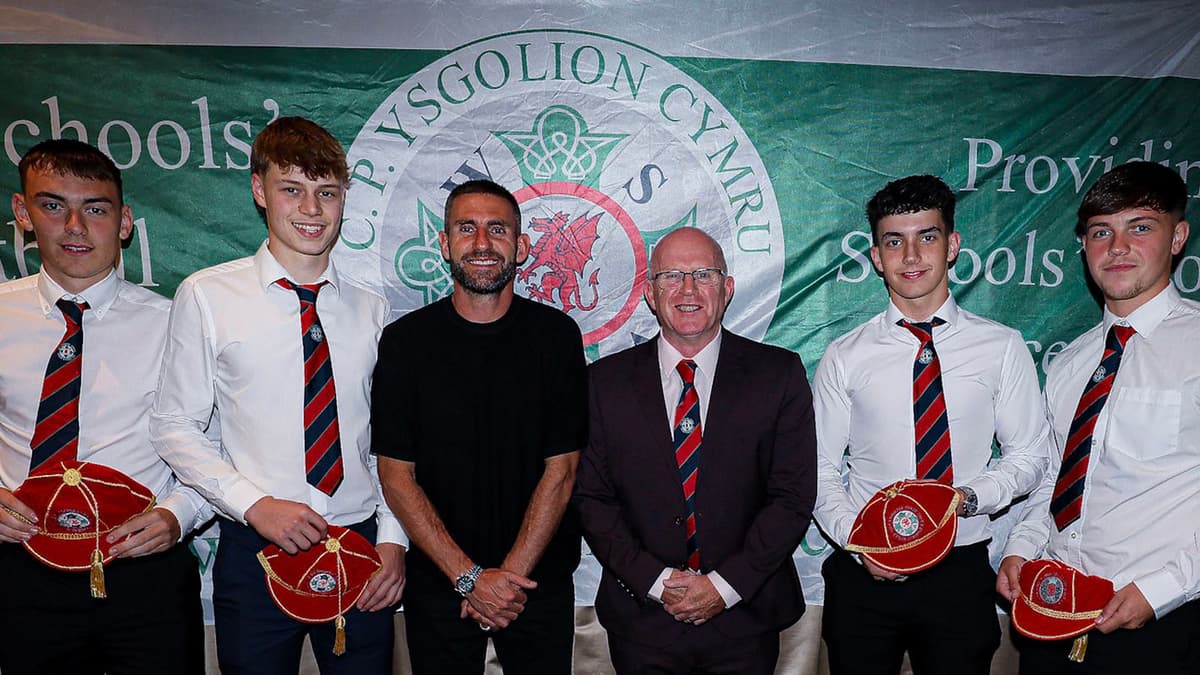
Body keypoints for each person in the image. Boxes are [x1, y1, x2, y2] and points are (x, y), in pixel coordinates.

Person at [150, 116, 406, 675]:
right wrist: (255, 504)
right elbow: (174, 424)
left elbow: (390, 441)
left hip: (359, 546)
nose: (311, 209)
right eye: (293, 189)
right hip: (255, 548)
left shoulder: (372, 310)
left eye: (326, 193)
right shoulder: (208, 294)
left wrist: (393, 539)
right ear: (259, 190)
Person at [812, 174, 1052, 675]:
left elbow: (1029, 456)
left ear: (953, 245)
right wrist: (860, 543)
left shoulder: (1001, 347)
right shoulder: (844, 355)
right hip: (864, 576)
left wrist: (963, 499)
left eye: (927, 236)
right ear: (876, 256)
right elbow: (819, 470)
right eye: (894, 241)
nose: (911, 255)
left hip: (959, 570)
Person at [0, 138, 209, 674]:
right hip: (20, 566)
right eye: (53, 205)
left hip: (144, 570)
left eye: (95, 208)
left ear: (124, 222)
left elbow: (222, 444)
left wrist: (178, 515)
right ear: (22, 213)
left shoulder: (178, 325)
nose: (74, 225)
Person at [573, 226, 816, 674]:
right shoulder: (603, 383)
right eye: (671, 276)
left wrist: (723, 588)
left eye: (703, 275)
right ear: (650, 292)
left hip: (746, 619)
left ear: (727, 289)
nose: (688, 289)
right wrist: (659, 582)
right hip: (642, 621)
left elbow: (793, 496)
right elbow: (592, 499)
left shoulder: (777, 374)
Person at [372, 179, 586, 675]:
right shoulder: (405, 344)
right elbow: (396, 476)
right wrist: (469, 579)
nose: (483, 243)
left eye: (498, 229)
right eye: (466, 229)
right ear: (445, 244)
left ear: (522, 246)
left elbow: (563, 471)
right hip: (440, 586)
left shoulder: (556, 338)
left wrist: (505, 581)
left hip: (536, 588)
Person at [997, 161, 1200, 674]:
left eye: (1140, 227)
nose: (1117, 247)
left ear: (1177, 237)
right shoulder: (1072, 363)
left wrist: (1161, 592)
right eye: (1100, 232)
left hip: (1168, 625)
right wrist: (1021, 549)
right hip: (1053, 611)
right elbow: (1057, 479)